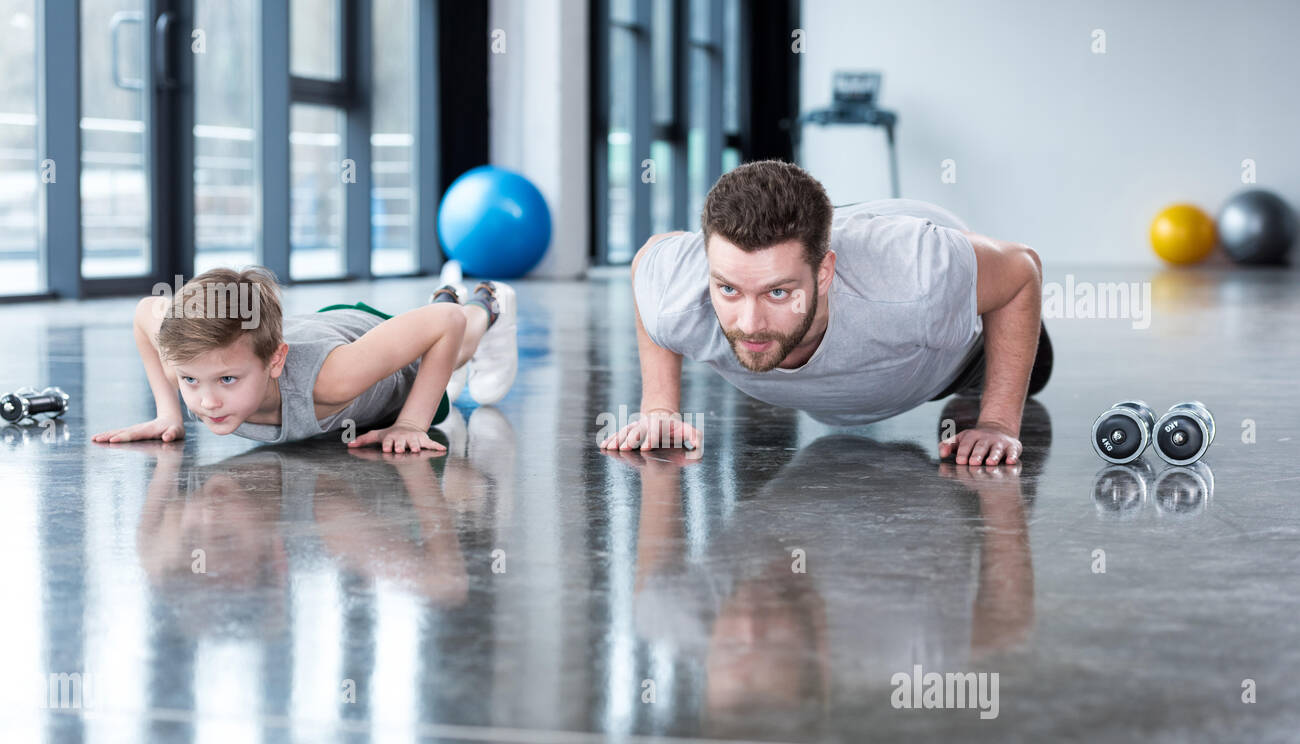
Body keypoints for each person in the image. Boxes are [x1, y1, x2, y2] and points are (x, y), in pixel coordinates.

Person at [599, 159, 1052, 467]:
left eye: (778, 292)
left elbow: (1022, 271)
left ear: (824, 273)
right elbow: (648, 262)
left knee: (1035, 368)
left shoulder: (920, 279)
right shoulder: (681, 288)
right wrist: (659, 407)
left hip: (954, 356)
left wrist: (996, 422)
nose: (749, 325)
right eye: (730, 290)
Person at [92, 266, 518, 453]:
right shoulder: (190, 357)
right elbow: (146, 311)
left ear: (275, 362)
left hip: (361, 339)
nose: (205, 403)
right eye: (189, 382)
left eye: (226, 381)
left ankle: (488, 303)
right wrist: (169, 413)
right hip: (308, 331)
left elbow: (443, 324)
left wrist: (410, 423)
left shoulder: (332, 381)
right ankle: (445, 291)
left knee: (455, 345)